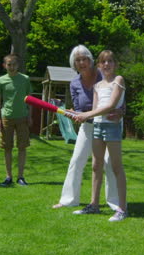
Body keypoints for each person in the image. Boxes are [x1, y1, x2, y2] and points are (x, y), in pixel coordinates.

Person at [52, 45, 120, 211]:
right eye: (78, 60)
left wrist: (120, 111)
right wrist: (75, 114)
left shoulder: (103, 75)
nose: (82, 62)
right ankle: (68, 200)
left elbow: (116, 101)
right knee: (76, 161)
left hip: (108, 124)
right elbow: (78, 108)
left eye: (85, 59)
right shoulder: (74, 83)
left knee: (108, 163)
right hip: (88, 127)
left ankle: (114, 203)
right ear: (74, 64)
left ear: (91, 60)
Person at [73, 50, 128, 222]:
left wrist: (86, 115)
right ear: (99, 65)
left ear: (115, 64)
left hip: (112, 127)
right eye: (103, 62)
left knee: (116, 167)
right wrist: (78, 114)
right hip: (97, 126)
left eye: (110, 61)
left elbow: (111, 105)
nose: (107, 64)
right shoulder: (97, 86)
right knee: (96, 166)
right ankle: (94, 205)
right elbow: (95, 110)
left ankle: (122, 209)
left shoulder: (118, 80)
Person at [0, 54, 33, 186]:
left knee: (22, 147)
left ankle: (20, 177)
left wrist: (29, 116)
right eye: (9, 64)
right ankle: (8, 176)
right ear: (4, 65)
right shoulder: (0, 81)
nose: (11, 67)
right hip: (6, 118)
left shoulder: (25, 79)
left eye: (14, 64)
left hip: (22, 117)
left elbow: (30, 99)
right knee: (7, 148)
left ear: (18, 65)